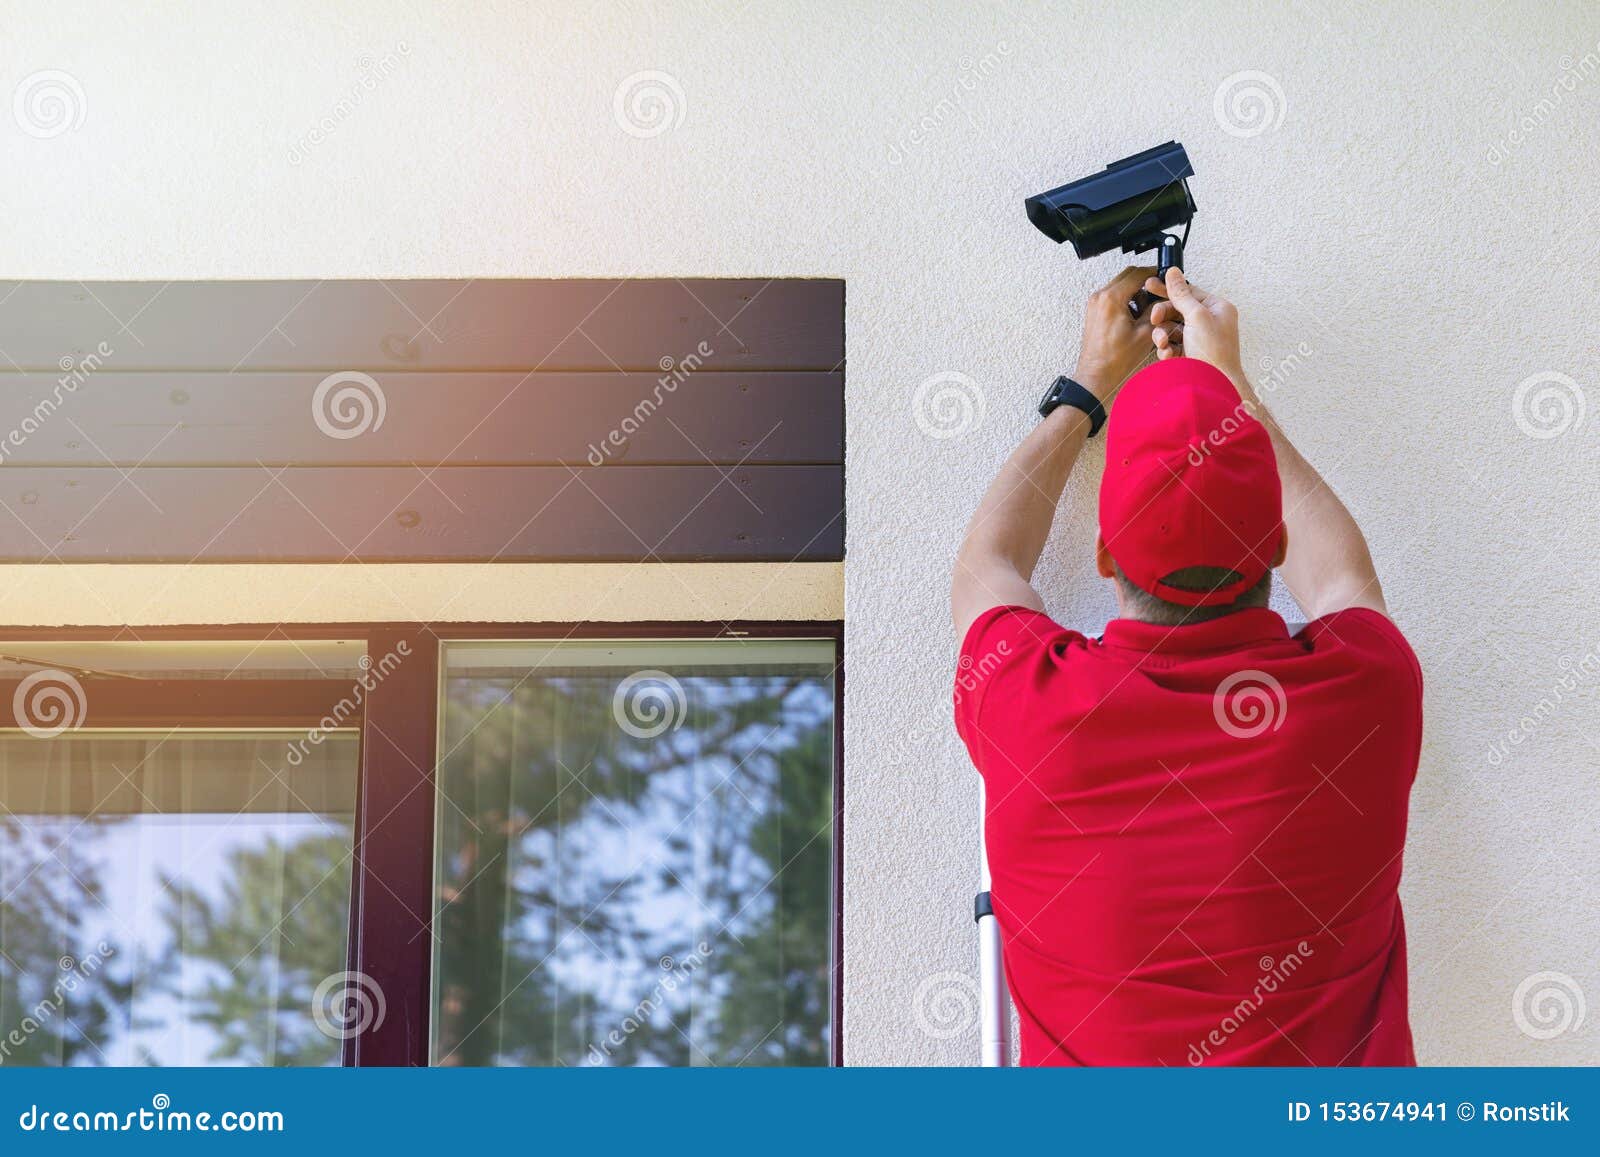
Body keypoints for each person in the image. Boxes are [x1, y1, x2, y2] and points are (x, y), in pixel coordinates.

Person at [950, 266, 1422, 1066]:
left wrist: (1085, 389)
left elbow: (986, 565)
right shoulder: (1367, 692)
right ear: (1274, 544)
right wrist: (1231, 386)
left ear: (1105, 554)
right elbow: (1342, 578)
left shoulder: (1029, 702)